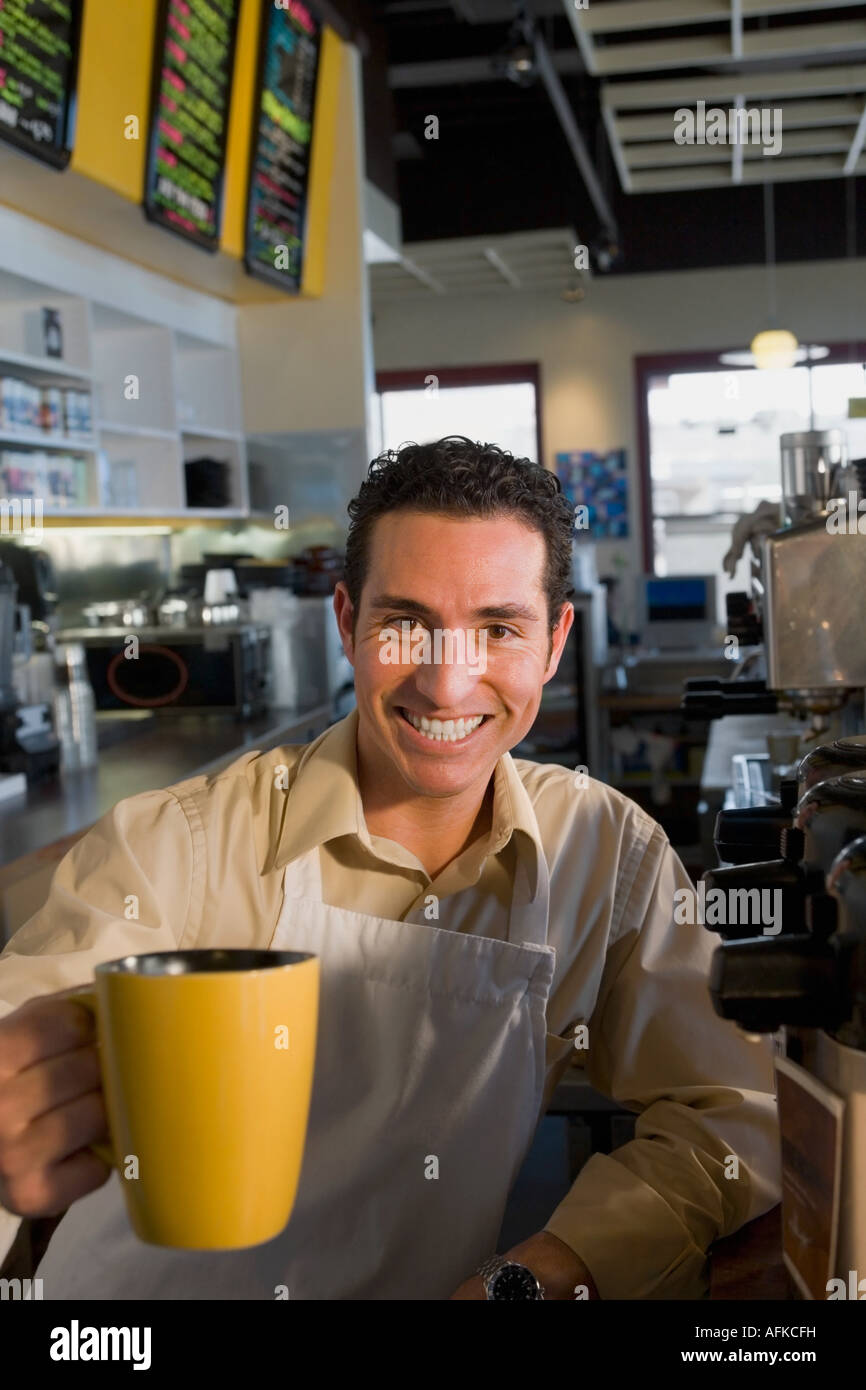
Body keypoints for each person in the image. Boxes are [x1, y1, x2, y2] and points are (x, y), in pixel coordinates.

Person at [0, 436, 780, 1300]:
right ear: (347, 623)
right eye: (406, 623)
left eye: (498, 628)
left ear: (555, 640)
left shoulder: (605, 856)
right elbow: (18, 1050)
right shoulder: (175, 846)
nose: (448, 688)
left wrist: (546, 1271)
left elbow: (734, 1114)